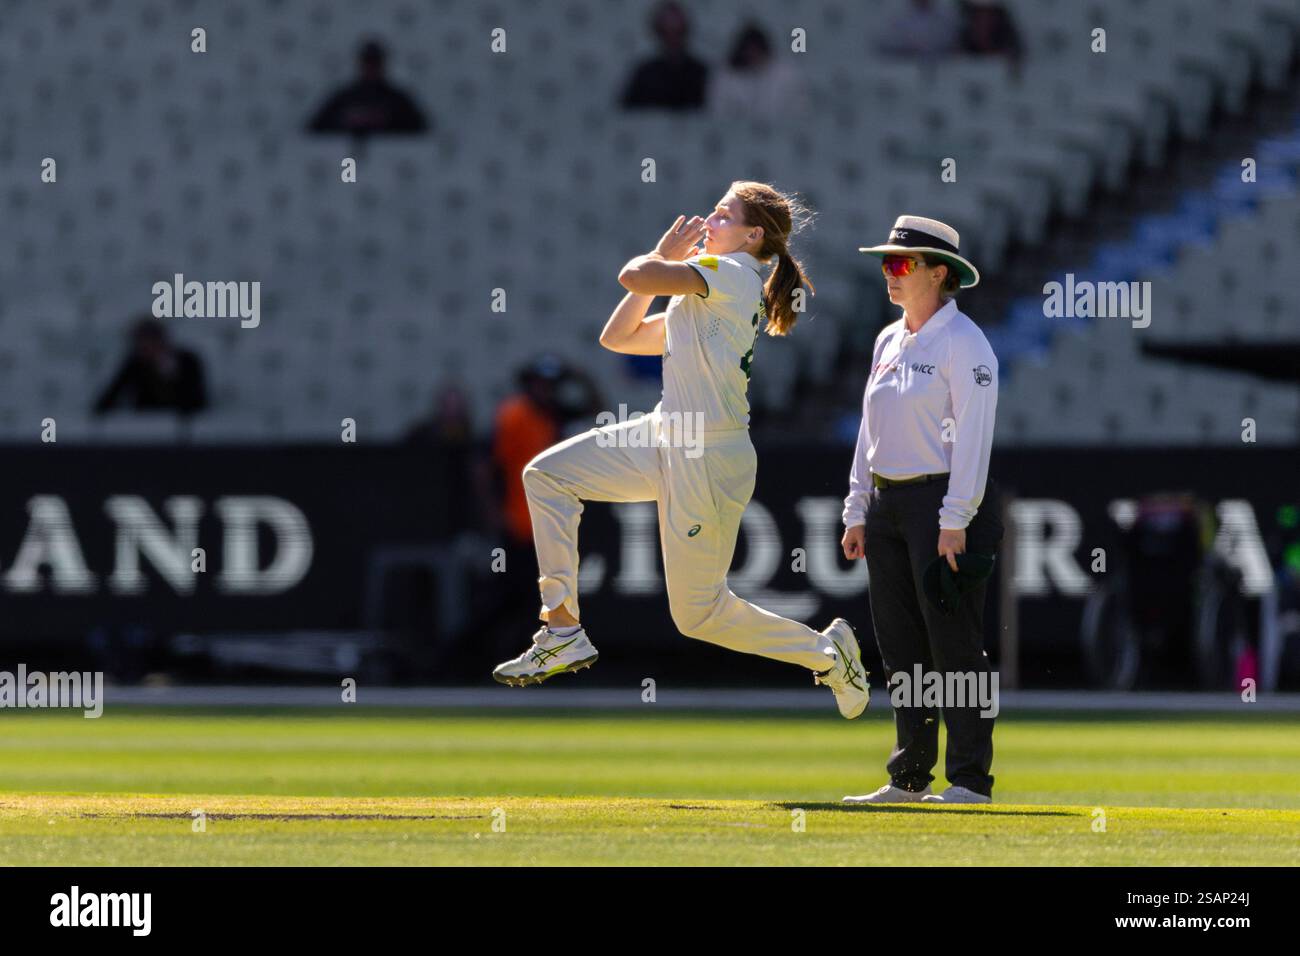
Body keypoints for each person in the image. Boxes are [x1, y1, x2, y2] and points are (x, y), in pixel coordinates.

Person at [492, 182, 869, 719]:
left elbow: (633, 275)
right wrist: (662, 269)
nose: (709, 221)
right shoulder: (711, 289)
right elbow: (617, 336)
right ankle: (562, 628)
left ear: (752, 234)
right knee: (545, 476)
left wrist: (662, 258)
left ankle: (829, 656)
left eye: (723, 215)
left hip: (707, 454)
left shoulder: (733, 273)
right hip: (670, 432)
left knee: (699, 616)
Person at [839, 216, 1004, 803]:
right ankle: (908, 777)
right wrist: (858, 506)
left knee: (954, 643)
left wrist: (954, 518)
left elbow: (974, 439)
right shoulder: (888, 339)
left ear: (940, 274)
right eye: (887, 262)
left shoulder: (966, 344)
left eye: (902, 263)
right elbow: (869, 428)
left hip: (942, 504)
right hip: (889, 503)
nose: (891, 271)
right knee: (902, 645)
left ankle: (969, 781)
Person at [307, 39, 430, 136]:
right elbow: (316, 128)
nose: (371, 67)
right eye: (368, 62)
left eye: (375, 62)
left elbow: (419, 128)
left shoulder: (397, 99)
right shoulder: (344, 97)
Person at [93, 317, 207, 415]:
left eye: (149, 342)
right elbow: (111, 396)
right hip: (147, 426)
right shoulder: (135, 365)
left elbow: (198, 400)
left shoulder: (187, 361)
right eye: (141, 344)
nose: (146, 349)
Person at [620, 1, 709, 111]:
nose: (673, 37)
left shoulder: (702, 72)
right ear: (659, 32)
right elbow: (626, 110)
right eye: (667, 31)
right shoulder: (644, 73)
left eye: (677, 31)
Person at [708, 22, 808, 120]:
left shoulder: (787, 75)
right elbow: (717, 112)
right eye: (748, 51)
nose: (752, 55)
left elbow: (799, 113)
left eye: (755, 50)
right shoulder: (726, 77)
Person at [876, 0, 961, 59]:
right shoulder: (896, 16)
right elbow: (884, 45)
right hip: (904, 69)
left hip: (943, 69)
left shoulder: (947, 15)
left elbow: (955, 44)